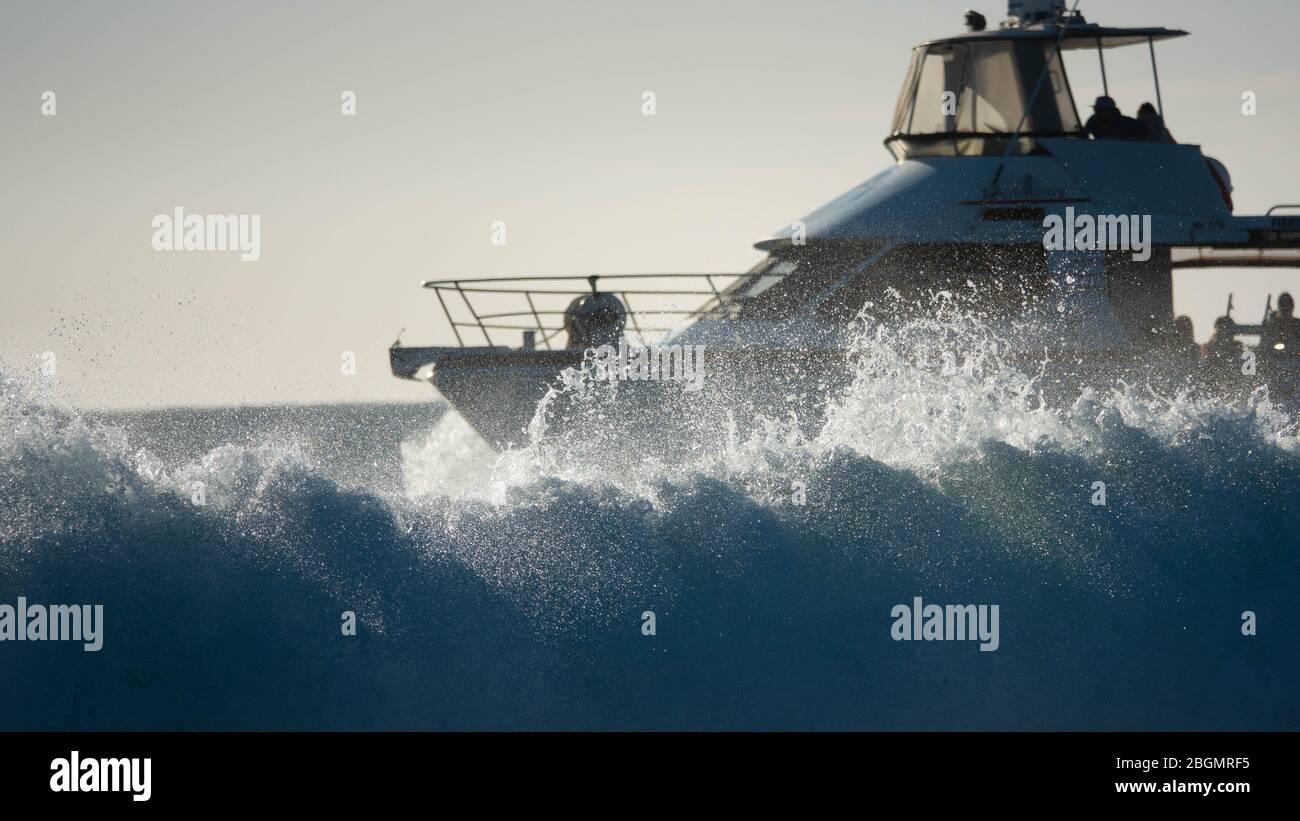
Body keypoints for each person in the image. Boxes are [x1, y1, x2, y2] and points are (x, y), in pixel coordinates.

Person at [1084, 96, 1149, 141]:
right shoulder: (1093, 121)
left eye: (1098, 110)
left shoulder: (1127, 122)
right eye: (1096, 110)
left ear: (1110, 110)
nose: (1096, 112)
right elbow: (1084, 135)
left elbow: (1145, 134)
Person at [1260, 292, 1300, 357]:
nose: (1285, 308)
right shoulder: (1273, 325)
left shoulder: (1297, 324)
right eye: (1283, 305)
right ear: (1279, 307)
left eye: (1288, 305)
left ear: (1292, 307)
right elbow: (1265, 345)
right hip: (1275, 358)